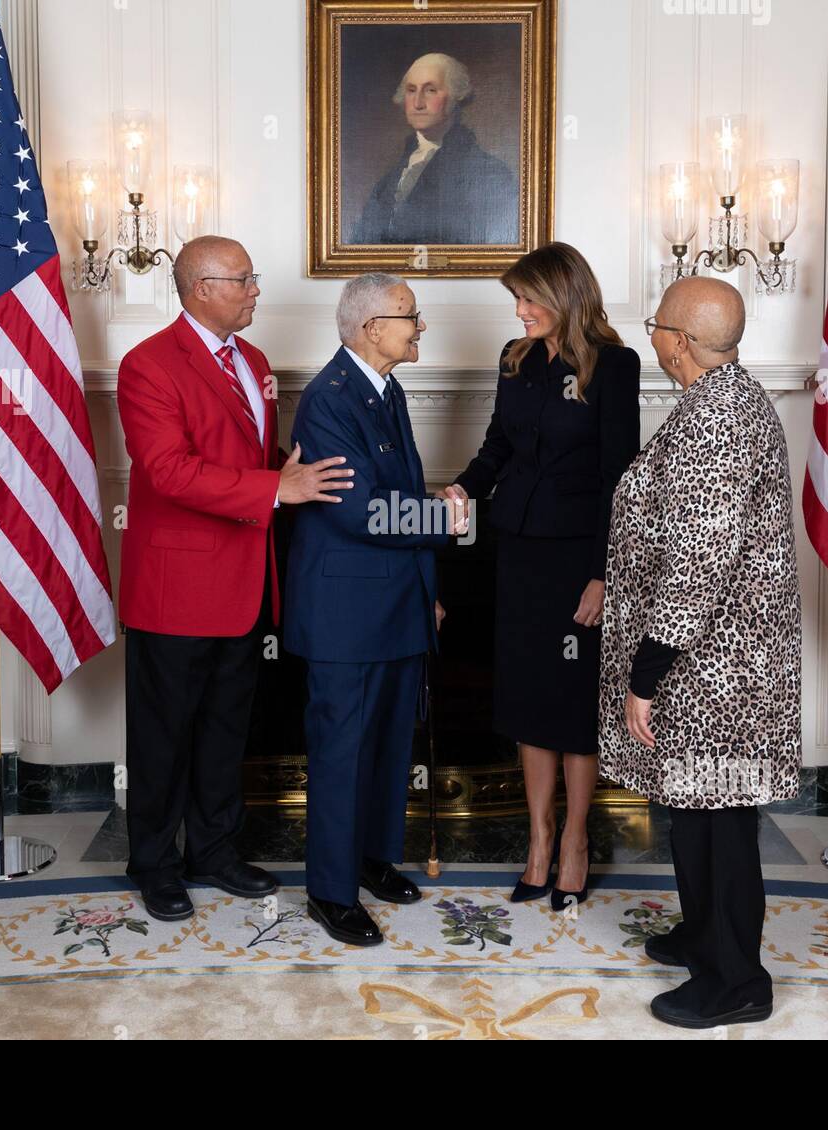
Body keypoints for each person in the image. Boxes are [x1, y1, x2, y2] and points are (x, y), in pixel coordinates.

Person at [117, 236, 355, 922]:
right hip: (177, 588)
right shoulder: (148, 365)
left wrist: (319, 471)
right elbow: (168, 471)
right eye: (243, 280)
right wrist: (279, 488)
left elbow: (260, 458)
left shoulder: (251, 361)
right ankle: (155, 862)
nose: (256, 290)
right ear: (200, 288)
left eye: (254, 277)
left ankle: (214, 851)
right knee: (164, 734)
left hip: (247, 580)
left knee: (226, 728)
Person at [598, 275, 802, 1029]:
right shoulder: (732, 398)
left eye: (656, 324)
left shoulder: (715, 419)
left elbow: (697, 559)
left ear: (678, 342)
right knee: (704, 813)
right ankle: (703, 935)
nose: (651, 333)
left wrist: (646, 670)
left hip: (711, 665)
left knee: (713, 820)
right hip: (728, 658)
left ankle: (735, 980)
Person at [442, 242, 640, 910]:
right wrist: (464, 488)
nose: (520, 311)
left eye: (529, 299)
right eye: (516, 301)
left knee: (572, 706)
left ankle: (577, 843)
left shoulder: (614, 365)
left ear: (565, 296)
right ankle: (539, 841)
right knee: (529, 703)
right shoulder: (516, 358)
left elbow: (621, 478)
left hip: (578, 557)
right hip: (518, 549)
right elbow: (499, 442)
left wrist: (602, 576)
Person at [285, 272, 464, 946]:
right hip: (344, 612)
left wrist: (428, 591)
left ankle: (369, 859)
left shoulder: (385, 389)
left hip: (393, 602)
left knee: (388, 744)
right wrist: (448, 521)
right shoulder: (330, 399)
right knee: (341, 750)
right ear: (369, 330)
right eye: (408, 316)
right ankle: (330, 893)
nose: (419, 326)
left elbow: (395, 497)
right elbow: (363, 512)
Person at [351, 52, 518, 246]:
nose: (418, 103)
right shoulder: (389, 181)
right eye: (411, 90)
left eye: (430, 90)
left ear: (456, 96)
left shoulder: (491, 174)